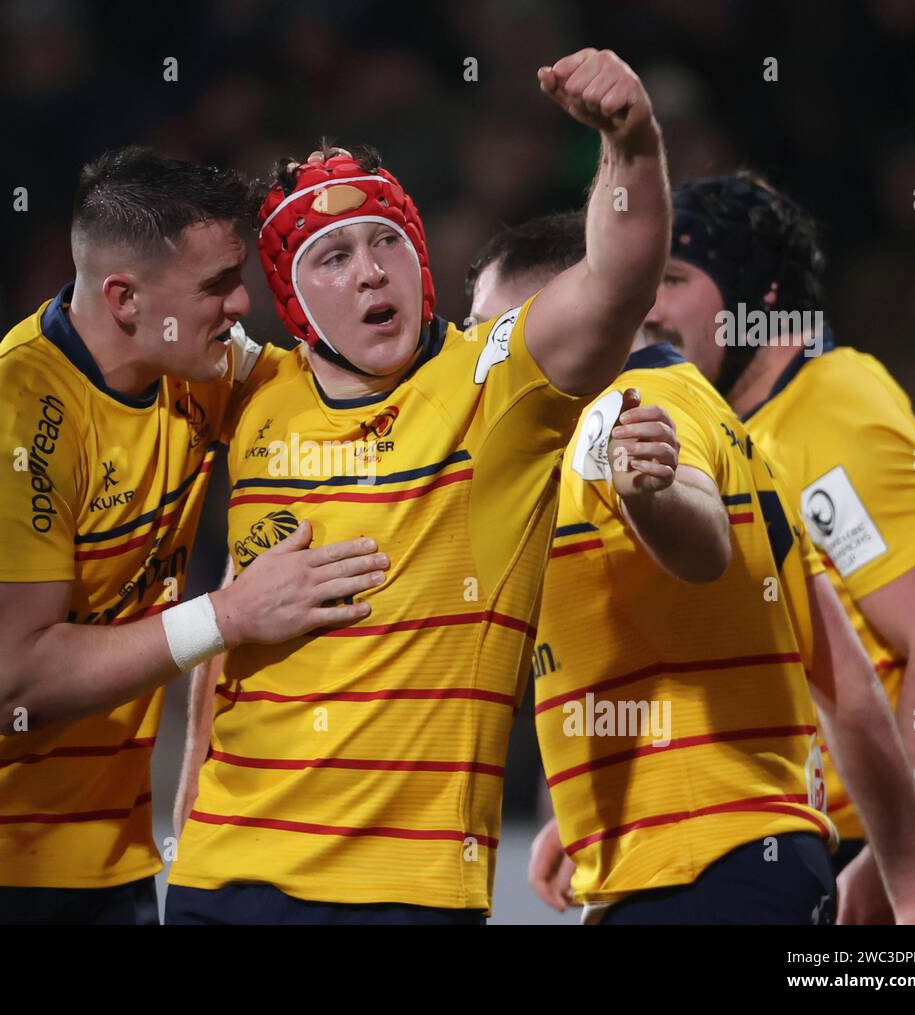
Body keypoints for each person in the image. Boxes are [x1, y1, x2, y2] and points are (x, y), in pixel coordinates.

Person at [166, 47, 670, 924]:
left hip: (405, 895)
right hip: (223, 881)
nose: (368, 271)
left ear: (420, 260)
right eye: (331, 257)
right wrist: (183, 841)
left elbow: (617, 280)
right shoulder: (246, 393)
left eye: (385, 242)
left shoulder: (497, 384)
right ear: (292, 302)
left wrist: (631, 143)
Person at [0, 148, 385, 925]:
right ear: (125, 297)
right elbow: (14, 685)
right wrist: (228, 615)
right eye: (216, 286)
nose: (241, 305)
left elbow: (338, 394)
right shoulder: (9, 426)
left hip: (104, 861)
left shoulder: (200, 368)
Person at [469, 216, 915, 923]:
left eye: (494, 332)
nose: (480, 362)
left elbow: (694, 533)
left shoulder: (626, 412)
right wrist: (912, 883)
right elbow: (847, 688)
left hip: (697, 874)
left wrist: (656, 494)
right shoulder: (733, 433)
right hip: (752, 862)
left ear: (579, 314)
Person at [638, 173, 915, 921]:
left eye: (675, 278)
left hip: (911, 857)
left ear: (759, 298)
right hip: (812, 849)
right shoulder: (732, 435)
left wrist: (902, 862)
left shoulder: (834, 410)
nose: (648, 306)